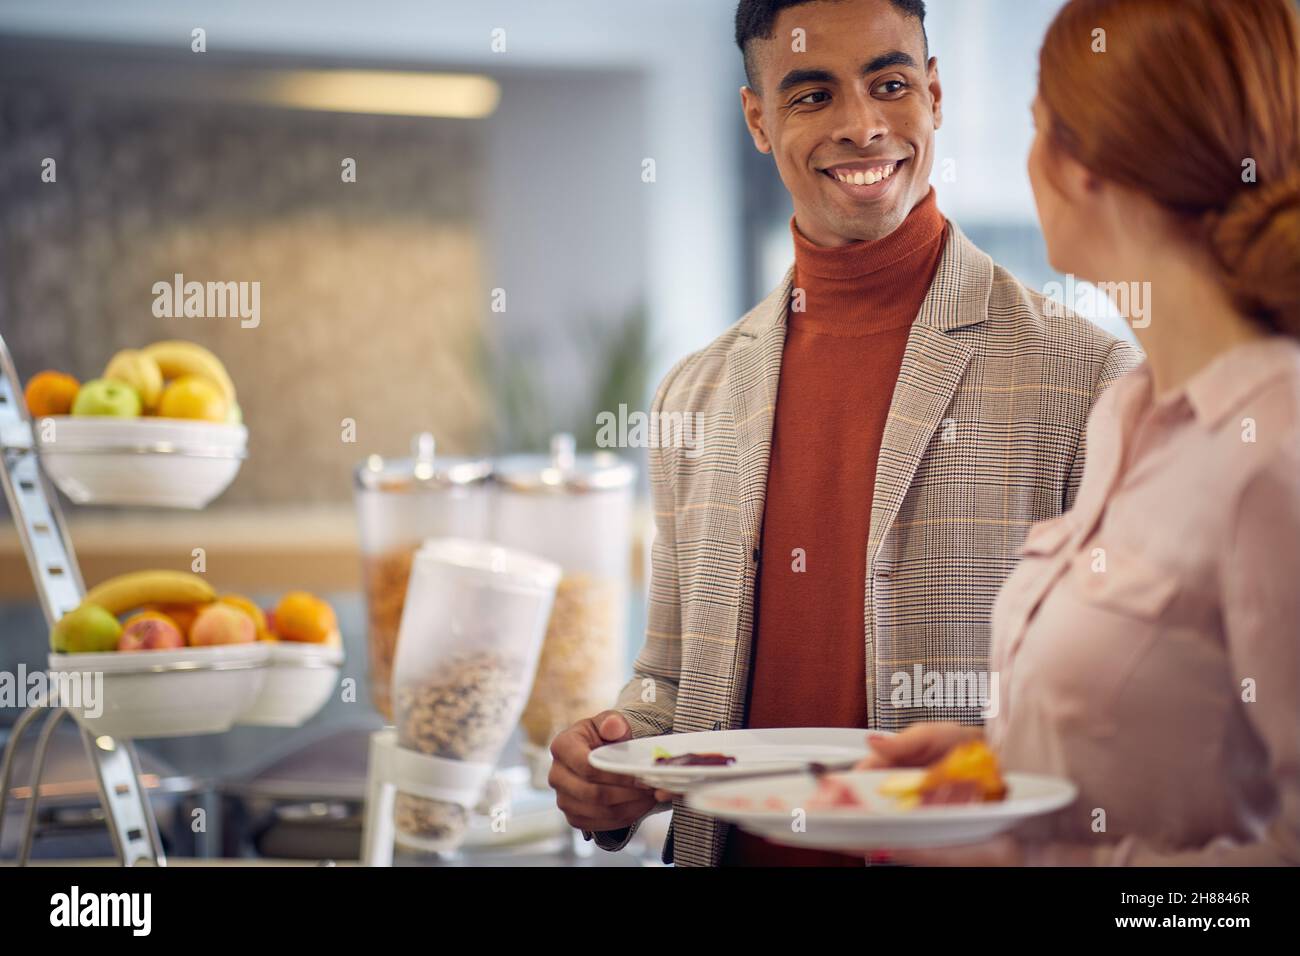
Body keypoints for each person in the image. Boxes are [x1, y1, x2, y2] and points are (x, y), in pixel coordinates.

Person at [548, 0, 1140, 867]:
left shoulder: (1085, 373)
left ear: (933, 92)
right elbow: (674, 684)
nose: (863, 127)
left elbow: (1128, 707)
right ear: (759, 119)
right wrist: (610, 756)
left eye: (890, 84)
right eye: (812, 96)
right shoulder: (695, 393)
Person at [865, 0, 1300, 866]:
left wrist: (1031, 860)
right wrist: (1006, 773)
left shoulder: (1270, 455)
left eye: (1037, 128)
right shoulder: (1125, 417)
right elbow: (1180, 743)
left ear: (1089, 164)